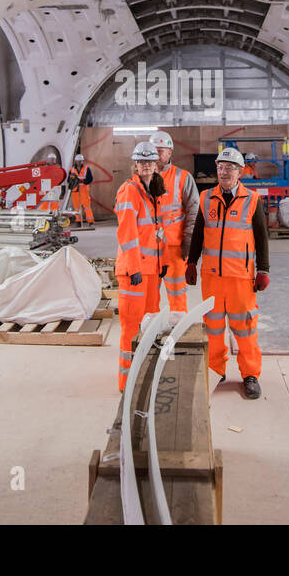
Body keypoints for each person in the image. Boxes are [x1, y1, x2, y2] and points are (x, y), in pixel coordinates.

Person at [185, 146, 270, 400]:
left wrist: (263, 269)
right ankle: (215, 369)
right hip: (212, 277)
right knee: (213, 327)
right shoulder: (206, 198)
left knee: (244, 328)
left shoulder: (252, 200)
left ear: (240, 172)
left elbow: (262, 237)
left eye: (230, 168)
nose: (224, 172)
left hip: (241, 279)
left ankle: (250, 374)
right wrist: (191, 262)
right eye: (220, 167)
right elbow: (199, 232)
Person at [114, 141, 167, 392]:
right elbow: (127, 234)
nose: (146, 166)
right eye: (142, 162)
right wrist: (134, 267)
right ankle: (127, 382)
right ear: (135, 165)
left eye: (150, 162)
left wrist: (163, 262)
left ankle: (144, 373)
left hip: (151, 272)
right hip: (133, 273)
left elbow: (157, 232)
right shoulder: (129, 191)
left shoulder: (153, 192)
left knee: (150, 325)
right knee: (132, 326)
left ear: (156, 165)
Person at [149, 130, 199, 312]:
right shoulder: (141, 177)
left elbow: (194, 209)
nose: (157, 154)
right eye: (153, 150)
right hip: (149, 247)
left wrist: (189, 239)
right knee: (149, 292)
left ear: (170, 152)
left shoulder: (183, 177)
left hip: (174, 247)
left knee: (177, 291)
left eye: (161, 150)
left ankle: (179, 328)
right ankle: (150, 329)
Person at [69, 152, 95, 224]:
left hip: (84, 189)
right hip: (75, 190)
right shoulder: (72, 170)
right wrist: (74, 182)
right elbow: (69, 180)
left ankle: (90, 221)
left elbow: (90, 179)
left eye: (80, 161)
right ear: (75, 161)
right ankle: (78, 221)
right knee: (76, 206)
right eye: (77, 161)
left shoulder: (87, 168)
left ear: (82, 161)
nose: (79, 162)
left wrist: (83, 181)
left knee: (87, 206)